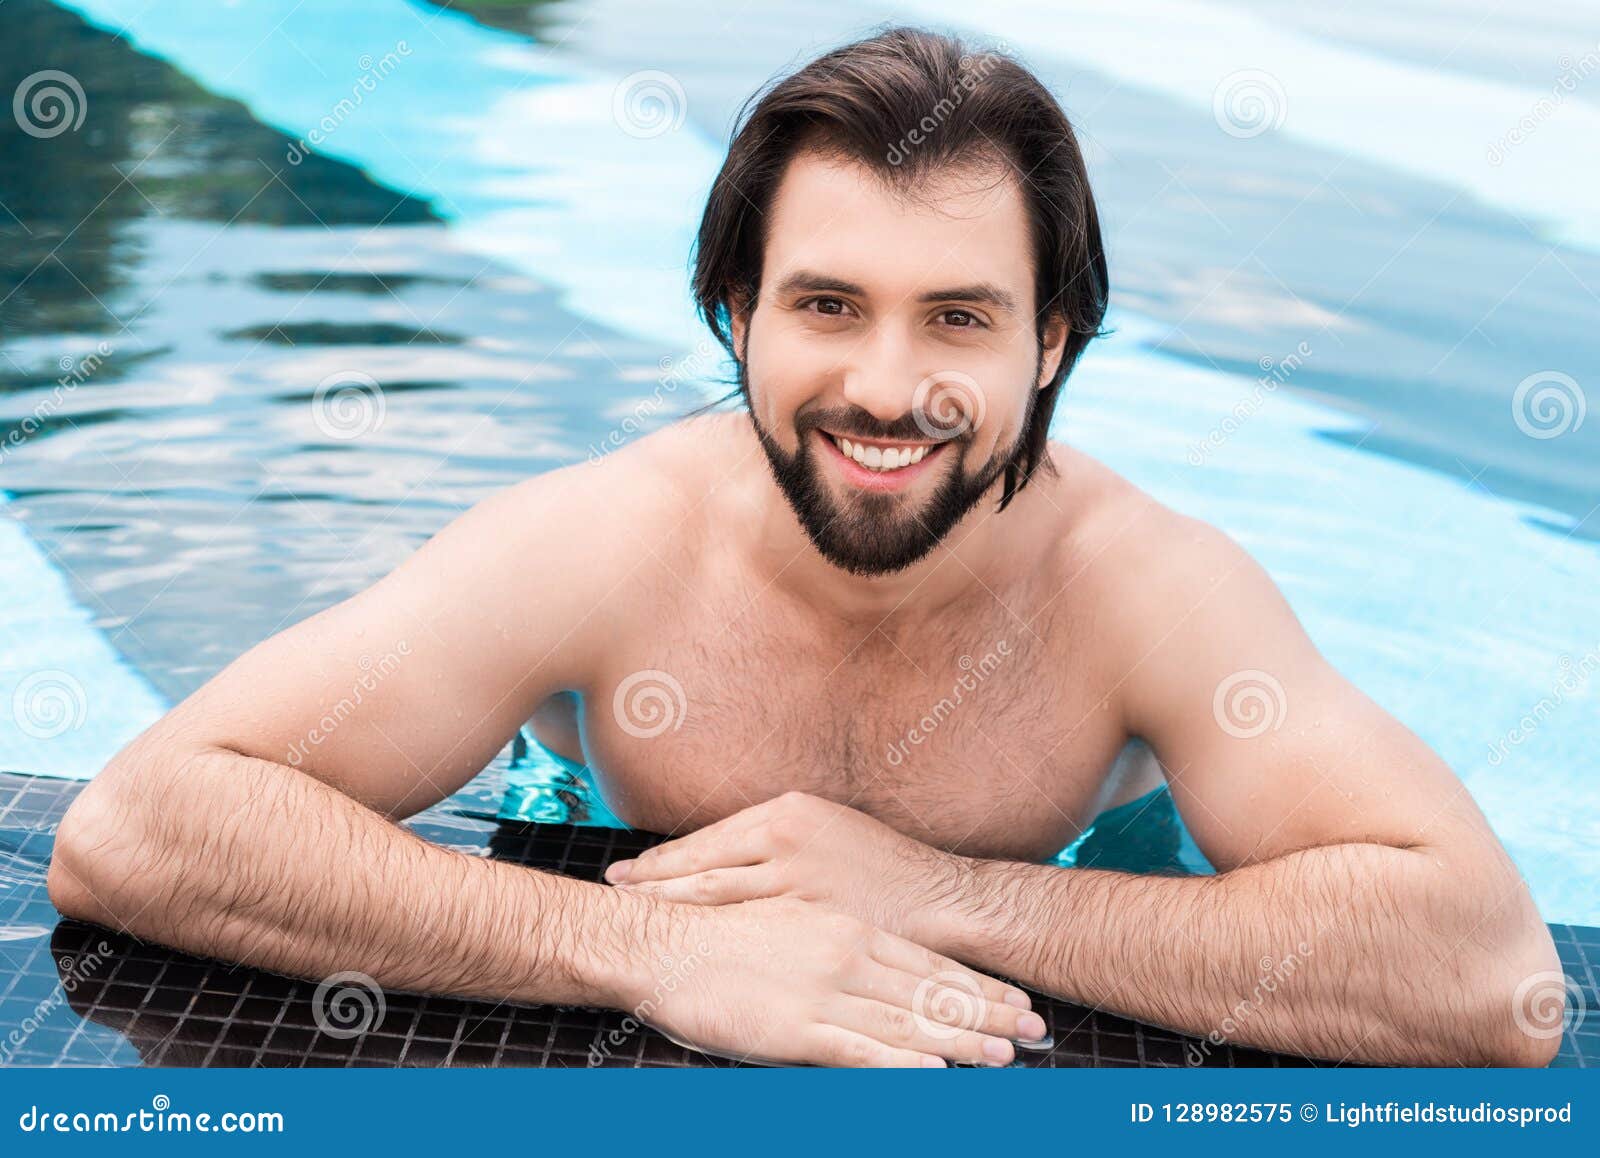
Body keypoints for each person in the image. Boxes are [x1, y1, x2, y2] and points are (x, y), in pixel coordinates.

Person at [50, 27, 1558, 1068]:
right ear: (737, 316)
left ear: (1051, 342)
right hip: (592, 862)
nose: (887, 389)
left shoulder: (1147, 590)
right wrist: (638, 952)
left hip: (1079, 892)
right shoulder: (605, 544)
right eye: (828, 305)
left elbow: (1497, 985)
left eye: (957, 317)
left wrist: (939, 891)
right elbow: (137, 826)